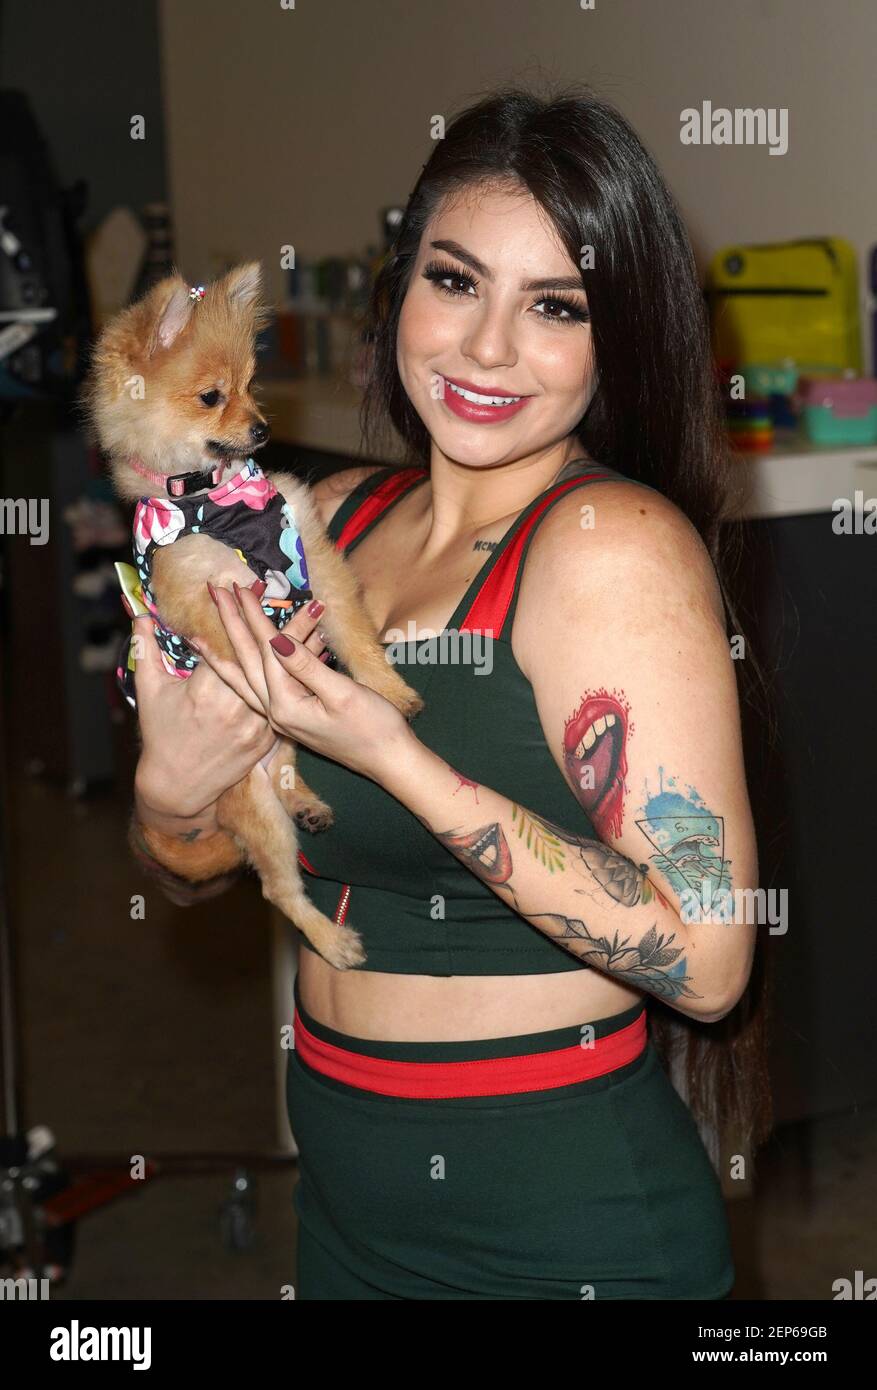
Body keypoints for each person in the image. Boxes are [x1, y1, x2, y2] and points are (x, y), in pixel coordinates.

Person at [131, 85, 771, 1300]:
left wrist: (398, 755)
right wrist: (172, 795)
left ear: (616, 335)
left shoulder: (610, 548)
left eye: (555, 307)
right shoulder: (327, 524)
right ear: (399, 290)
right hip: (344, 1210)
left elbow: (709, 957)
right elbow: (192, 864)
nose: (485, 349)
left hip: (559, 1232)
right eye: (456, 280)